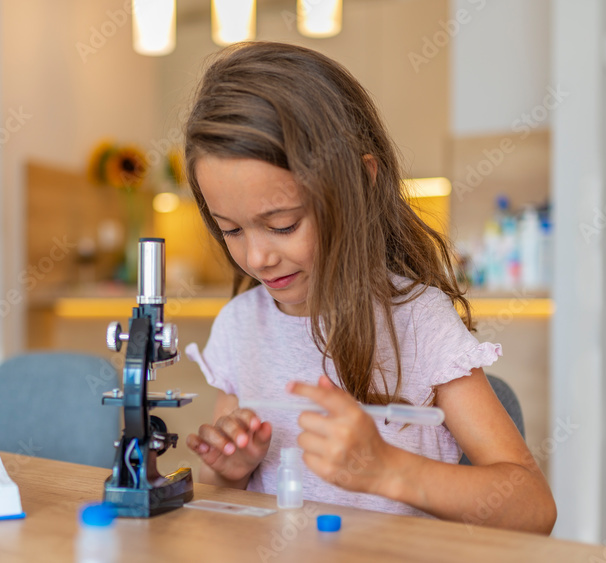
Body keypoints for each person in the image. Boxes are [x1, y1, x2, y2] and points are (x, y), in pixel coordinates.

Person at [182, 42, 556, 534]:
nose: (256, 258)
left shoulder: (419, 320)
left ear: (359, 183)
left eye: (283, 224)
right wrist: (229, 471)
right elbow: (220, 502)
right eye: (231, 229)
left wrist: (385, 467)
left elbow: (533, 509)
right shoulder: (239, 325)